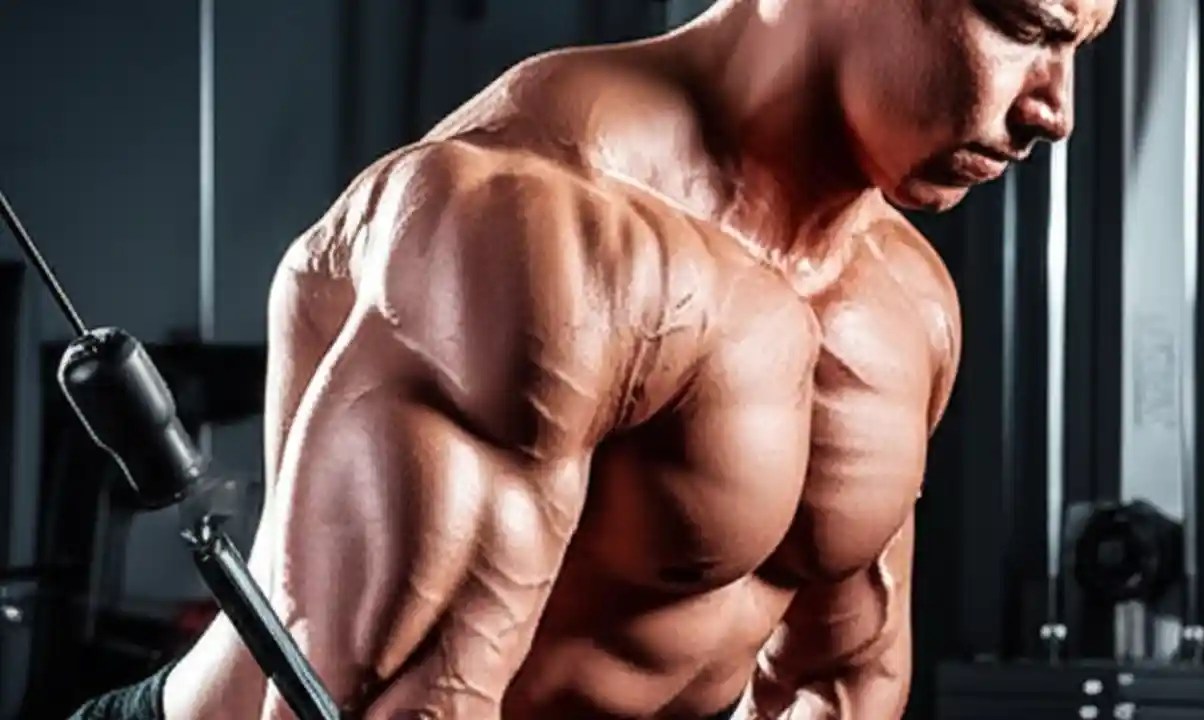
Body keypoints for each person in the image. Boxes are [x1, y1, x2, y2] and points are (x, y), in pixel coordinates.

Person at [74, 1, 1119, 718]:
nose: (1053, 110)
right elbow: (390, 696)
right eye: (1023, 27)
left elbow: (838, 680)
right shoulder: (535, 229)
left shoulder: (903, 302)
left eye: (1078, 47)